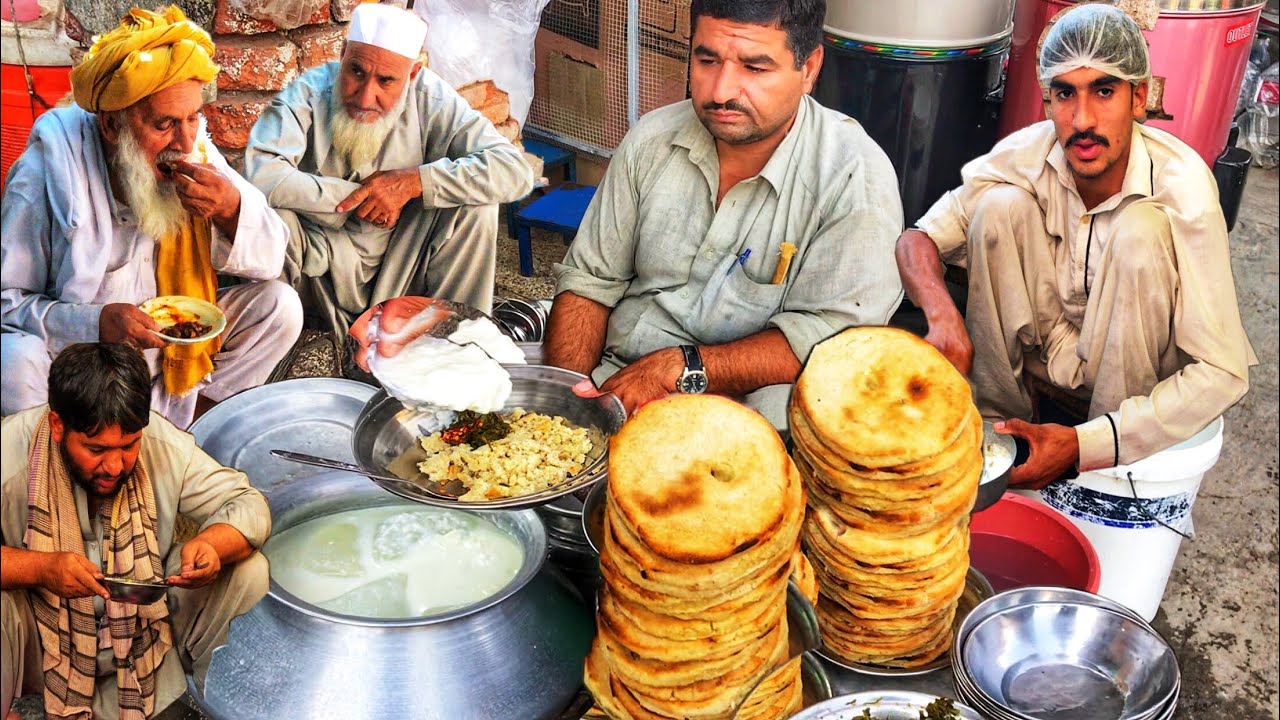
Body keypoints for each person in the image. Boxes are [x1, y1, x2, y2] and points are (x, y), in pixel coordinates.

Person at [895, 3, 1257, 489]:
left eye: (1104, 91)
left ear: (1139, 98)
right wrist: (942, 315)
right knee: (999, 206)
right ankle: (998, 435)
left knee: (1140, 231)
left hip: (1131, 390)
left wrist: (1086, 446)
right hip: (1049, 350)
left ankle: (1101, 457)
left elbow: (1223, 372)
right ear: (1048, 100)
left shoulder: (1182, 186)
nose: (1082, 120)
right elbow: (917, 238)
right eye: (1065, 93)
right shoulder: (1030, 151)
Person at [542, 0, 904, 429]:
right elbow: (589, 281)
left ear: (809, 68)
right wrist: (569, 408)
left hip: (747, 418)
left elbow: (834, 341)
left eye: (755, 67)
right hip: (616, 383)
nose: (720, 92)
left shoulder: (853, 177)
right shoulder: (652, 139)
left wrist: (680, 366)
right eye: (707, 60)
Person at [1, 6, 303, 430]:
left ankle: (189, 435)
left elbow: (272, 257)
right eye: (165, 124)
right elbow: (8, 305)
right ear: (112, 126)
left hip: (168, 361)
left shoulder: (196, 151)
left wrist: (229, 209)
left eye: (193, 118)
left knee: (279, 307)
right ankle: (63, 456)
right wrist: (95, 323)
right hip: (82, 367)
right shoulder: (44, 173)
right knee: (12, 361)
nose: (184, 141)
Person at [1, 342, 271, 720]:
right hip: (40, 638)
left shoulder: (159, 443)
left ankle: (221, 701)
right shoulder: (9, 452)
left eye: (128, 446)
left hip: (144, 627)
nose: (115, 466)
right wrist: (40, 568)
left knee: (246, 571)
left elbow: (247, 503)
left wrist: (213, 544)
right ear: (58, 426)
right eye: (96, 450)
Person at [244, 2, 535, 337]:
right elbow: (260, 175)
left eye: (385, 81)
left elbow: (514, 171)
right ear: (343, 53)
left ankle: (455, 340)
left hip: (402, 265)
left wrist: (414, 183)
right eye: (356, 72)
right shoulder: (306, 94)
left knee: (477, 205)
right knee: (270, 219)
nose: (365, 97)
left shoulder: (432, 99)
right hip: (321, 265)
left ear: (412, 75)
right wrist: (361, 197)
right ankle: (282, 341)